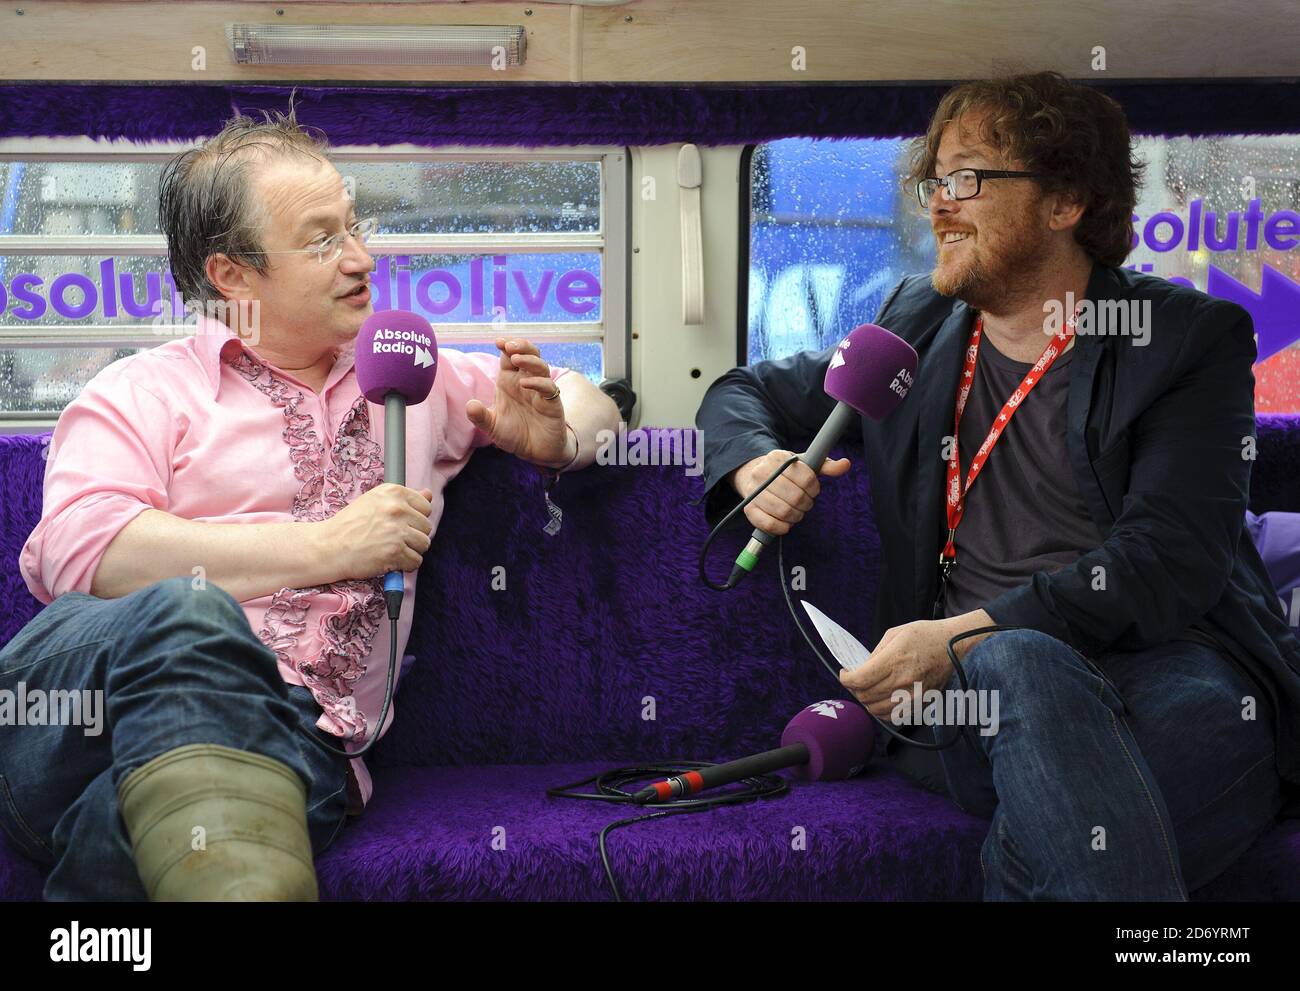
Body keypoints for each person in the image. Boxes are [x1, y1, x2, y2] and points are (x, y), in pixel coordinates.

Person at [696, 71, 1300, 900]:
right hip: (967, 703)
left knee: (1062, 766)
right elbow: (742, 391)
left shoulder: (1183, 340)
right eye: (935, 181)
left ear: (1066, 202)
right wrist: (755, 461)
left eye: (968, 179)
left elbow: (1168, 559)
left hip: (1164, 674)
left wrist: (963, 634)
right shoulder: (910, 325)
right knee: (1017, 666)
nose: (939, 206)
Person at [0, 107, 621, 901]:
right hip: (80, 720)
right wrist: (331, 546)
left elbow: (594, 399)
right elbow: (86, 553)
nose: (362, 258)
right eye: (323, 240)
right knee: (190, 619)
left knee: (120, 827)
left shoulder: (411, 376)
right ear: (232, 276)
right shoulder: (137, 393)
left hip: (299, 742)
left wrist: (560, 436)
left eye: (355, 228)